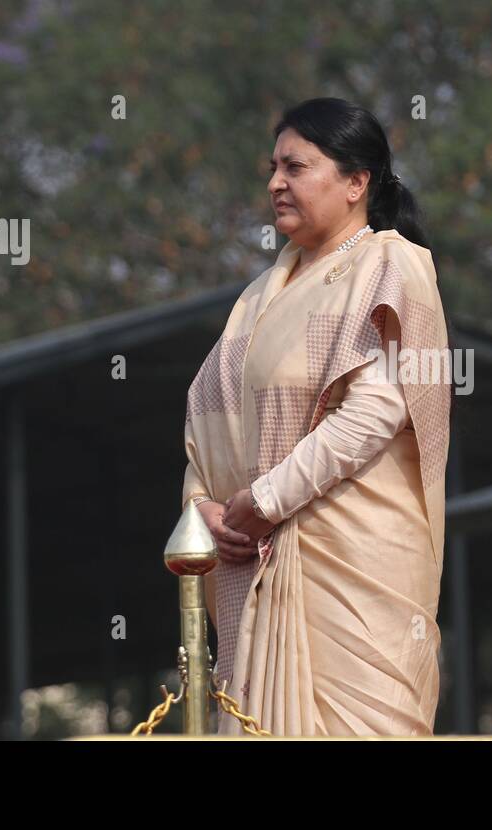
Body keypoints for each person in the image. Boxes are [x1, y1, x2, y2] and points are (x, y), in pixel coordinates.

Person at [181, 98, 450, 735]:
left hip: (357, 570)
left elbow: (377, 410)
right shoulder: (255, 299)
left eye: (296, 167)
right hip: (255, 568)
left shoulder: (389, 262)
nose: (276, 183)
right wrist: (204, 508)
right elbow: (208, 422)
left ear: (357, 183)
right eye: (273, 168)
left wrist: (267, 499)